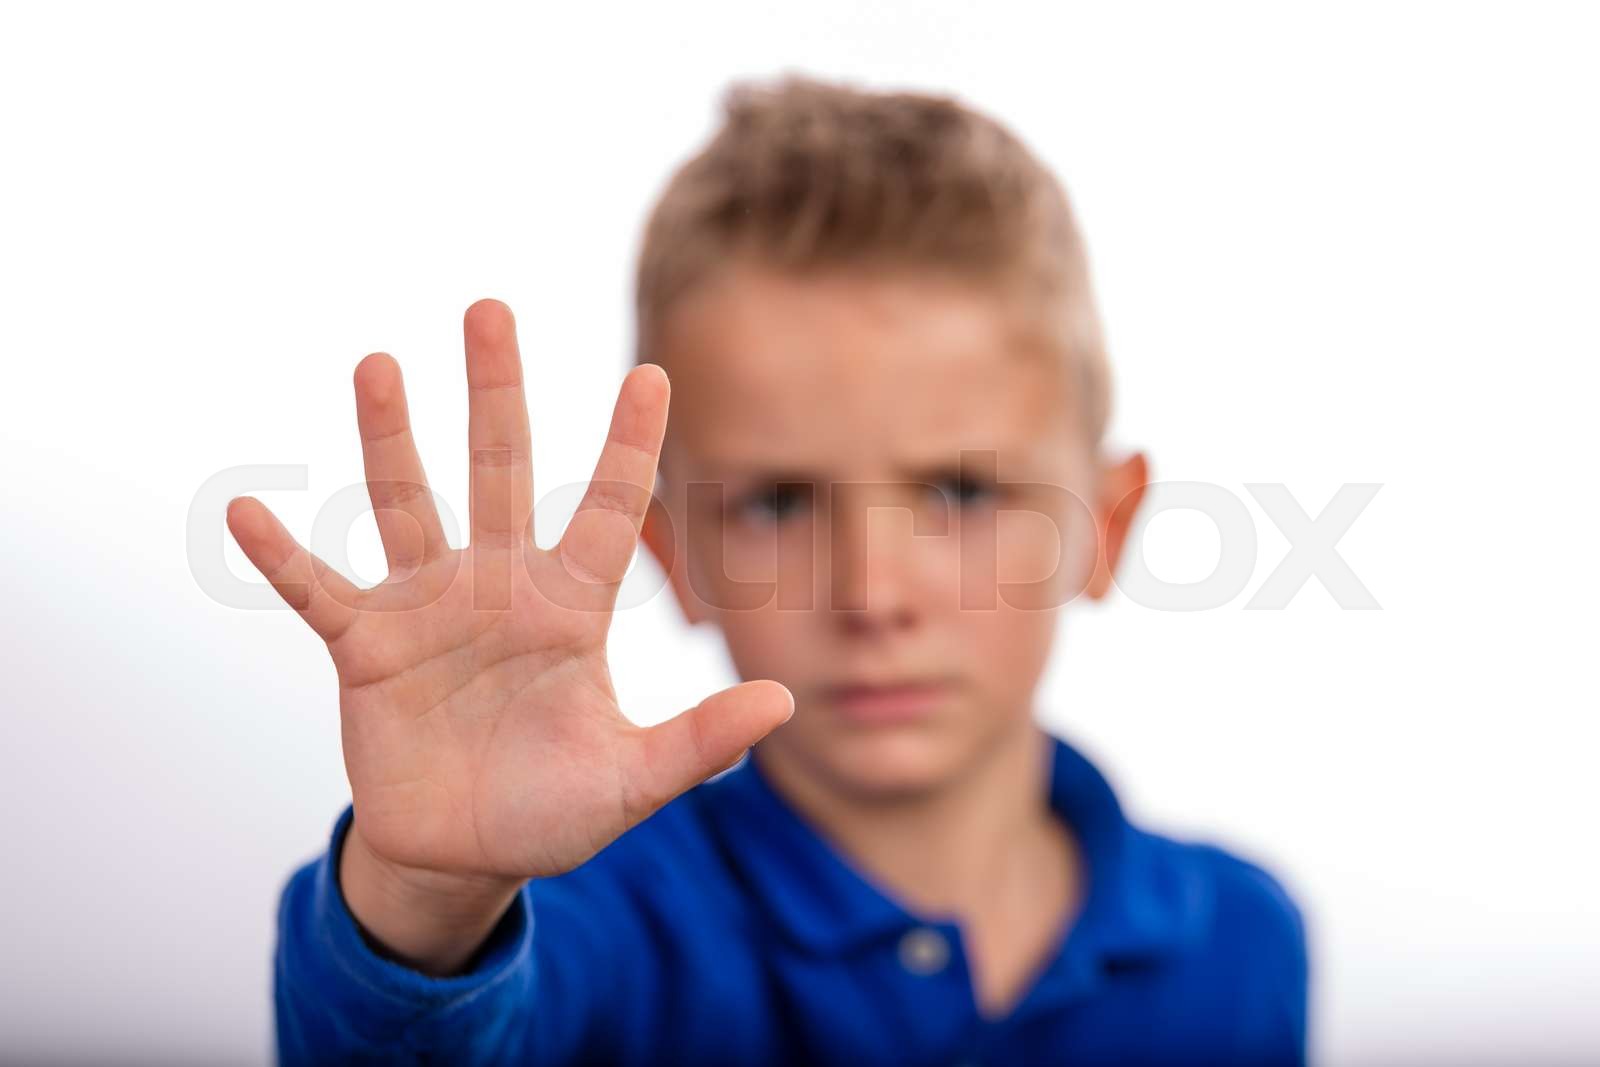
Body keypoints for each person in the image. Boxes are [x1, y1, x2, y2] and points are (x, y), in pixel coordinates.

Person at [230, 73, 1308, 1066]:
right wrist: (429, 896)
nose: (872, 593)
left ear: (1104, 529)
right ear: (672, 555)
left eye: (963, 493)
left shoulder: (1242, 944)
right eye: (778, 503)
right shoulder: (602, 928)